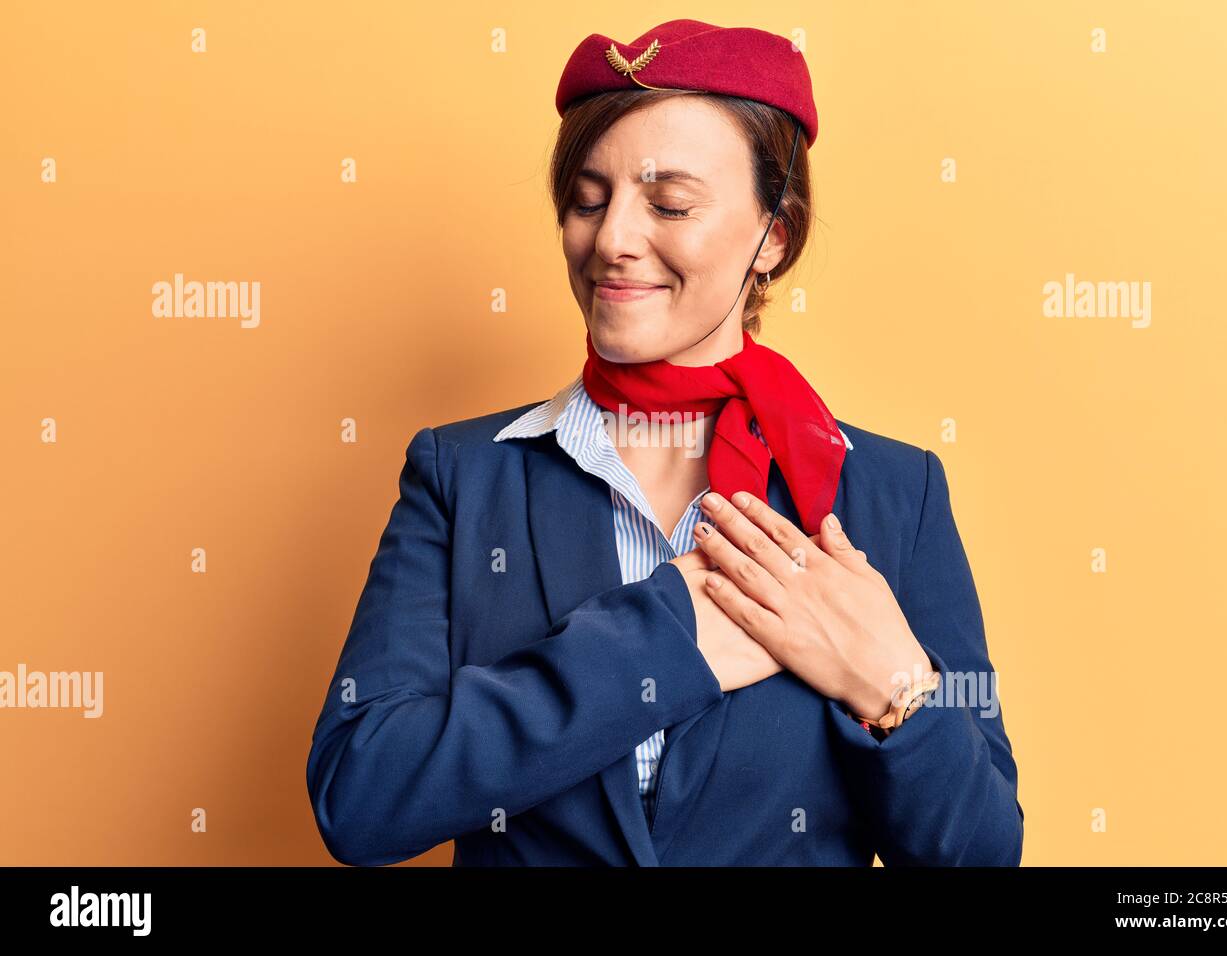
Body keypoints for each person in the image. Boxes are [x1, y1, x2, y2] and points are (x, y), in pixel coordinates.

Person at [306, 18, 1024, 867]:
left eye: (670, 204)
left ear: (774, 237)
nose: (612, 240)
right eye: (587, 199)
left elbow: (980, 854)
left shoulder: (894, 496)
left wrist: (893, 687)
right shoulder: (462, 476)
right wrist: (666, 631)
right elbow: (360, 796)